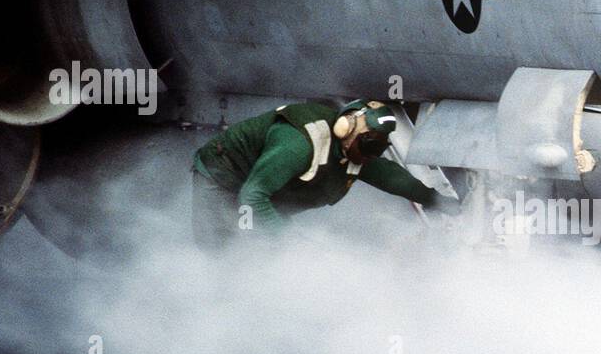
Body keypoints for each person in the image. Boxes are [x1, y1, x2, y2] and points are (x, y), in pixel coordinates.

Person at [190, 100, 451, 249]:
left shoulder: (357, 150)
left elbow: (391, 177)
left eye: (379, 147)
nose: (373, 154)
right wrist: (291, 244)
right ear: (344, 129)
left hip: (265, 185)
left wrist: (437, 201)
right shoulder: (299, 145)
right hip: (223, 174)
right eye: (370, 144)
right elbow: (252, 197)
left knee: (263, 251)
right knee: (218, 252)